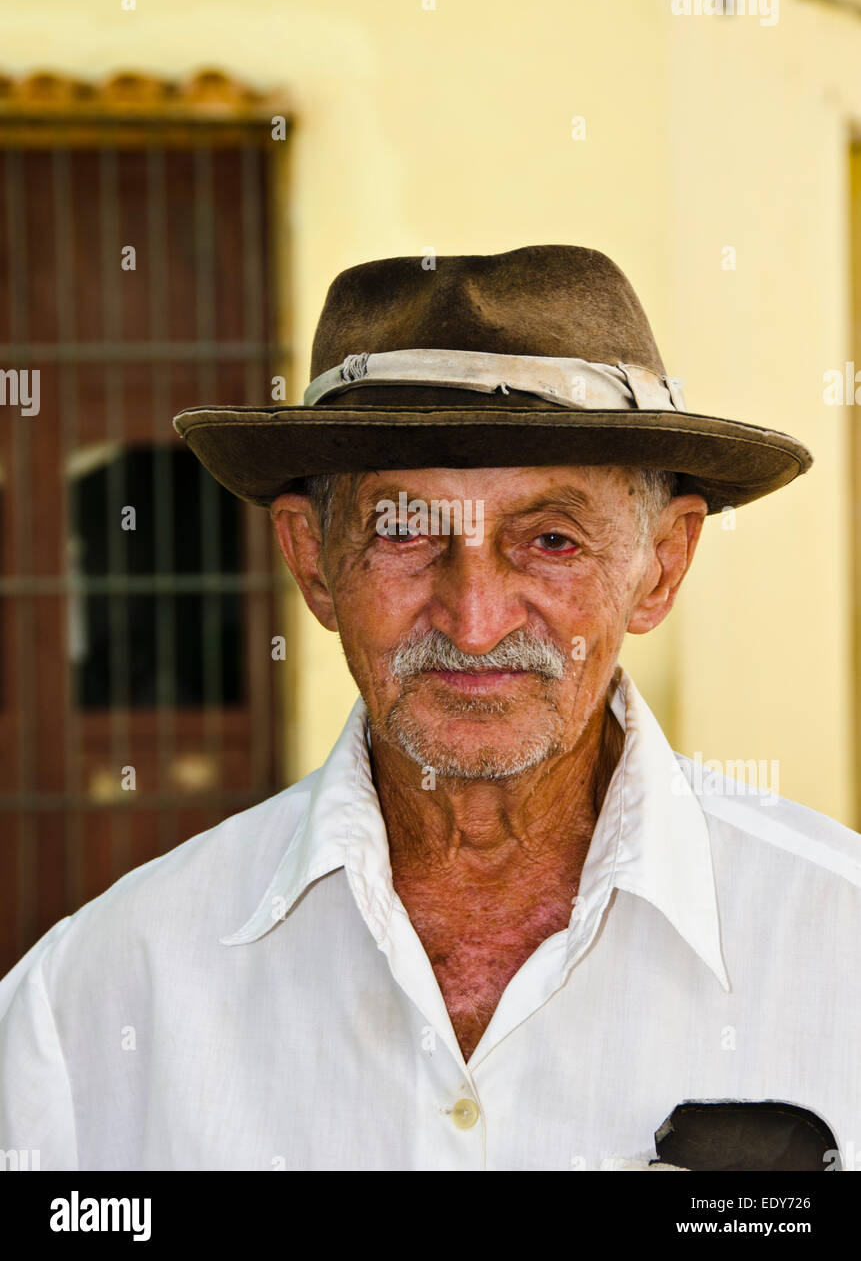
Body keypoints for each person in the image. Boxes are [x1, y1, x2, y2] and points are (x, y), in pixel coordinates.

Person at [1, 244, 856, 1172]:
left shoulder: (834, 940)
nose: (476, 623)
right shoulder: (95, 995)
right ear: (312, 560)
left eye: (551, 539)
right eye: (404, 529)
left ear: (660, 565)